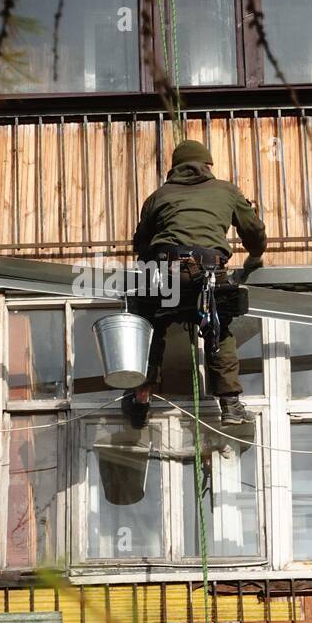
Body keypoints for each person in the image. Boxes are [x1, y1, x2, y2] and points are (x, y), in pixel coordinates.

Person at [125, 139, 267, 426]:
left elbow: (141, 244)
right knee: (218, 330)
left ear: (175, 167)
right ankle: (230, 405)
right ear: (207, 164)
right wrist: (255, 256)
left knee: (152, 328)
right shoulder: (227, 191)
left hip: (166, 269)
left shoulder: (157, 196)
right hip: (208, 272)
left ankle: (141, 397)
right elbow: (253, 232)